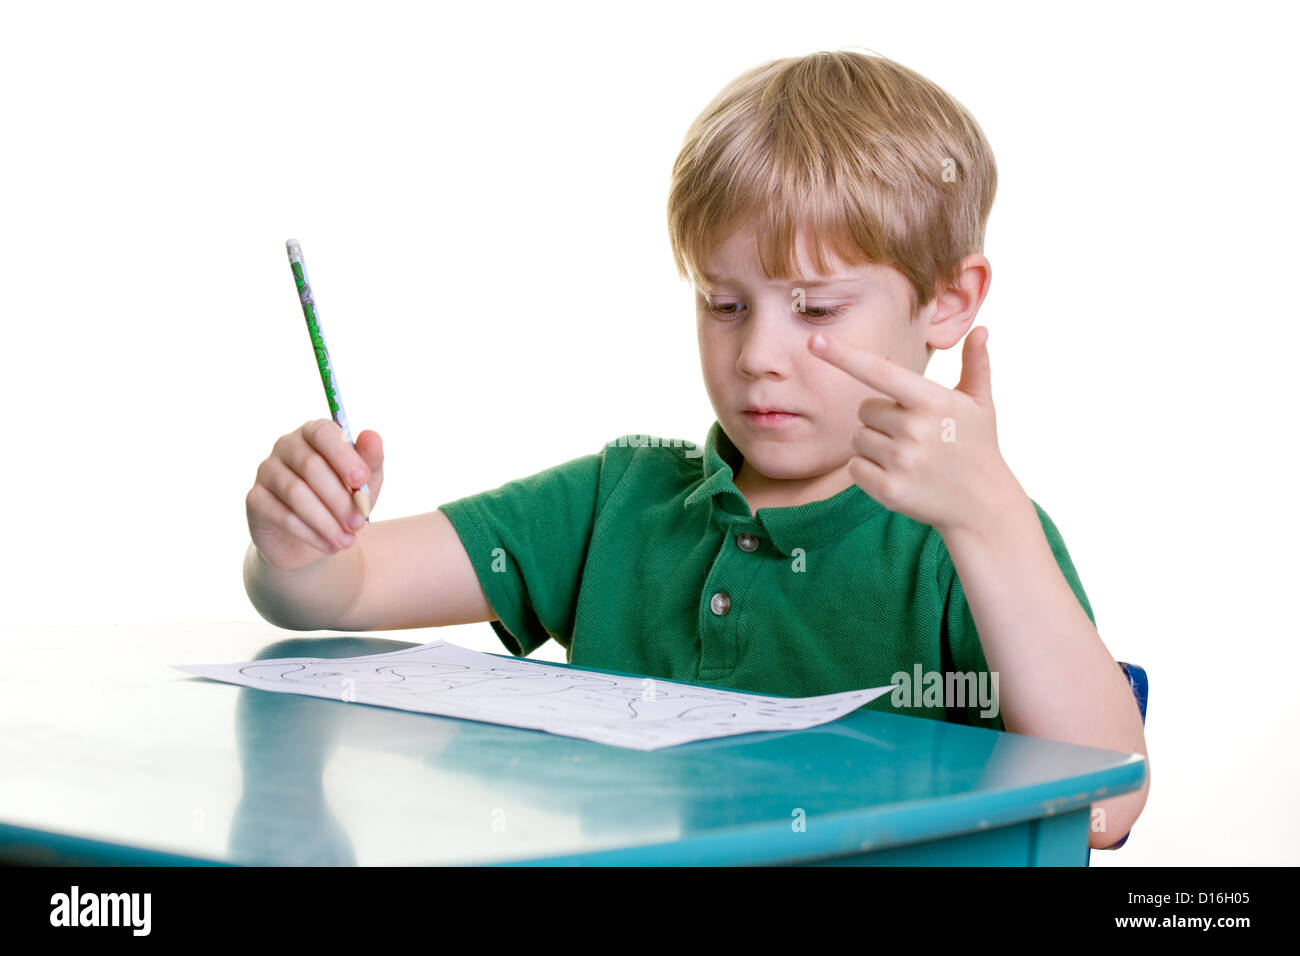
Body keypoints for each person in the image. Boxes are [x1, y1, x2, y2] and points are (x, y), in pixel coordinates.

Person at [243, 48, 1147, 849]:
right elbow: (342, 589)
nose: (756, 355)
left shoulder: (974, 541)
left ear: (948, 301)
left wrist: (989, 516)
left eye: (817, 309)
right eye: (724, 304)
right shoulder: (619, 500)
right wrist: (296, 546)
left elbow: (1108, 801)